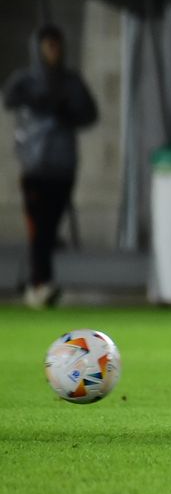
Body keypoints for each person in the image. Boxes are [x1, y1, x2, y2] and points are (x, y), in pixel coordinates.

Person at [4, 25, 99, 309]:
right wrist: (36, 98)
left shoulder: (71, 83)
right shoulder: (26, 81)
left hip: (63, 166)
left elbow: (89, 114)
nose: (53, 52)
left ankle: (42, 281)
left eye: (57, 46)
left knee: (50, 226)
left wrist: (67, 110)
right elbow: (10, 98)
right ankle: (39, 283)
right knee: (40, 228)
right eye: (48, 46)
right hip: (35, 166)